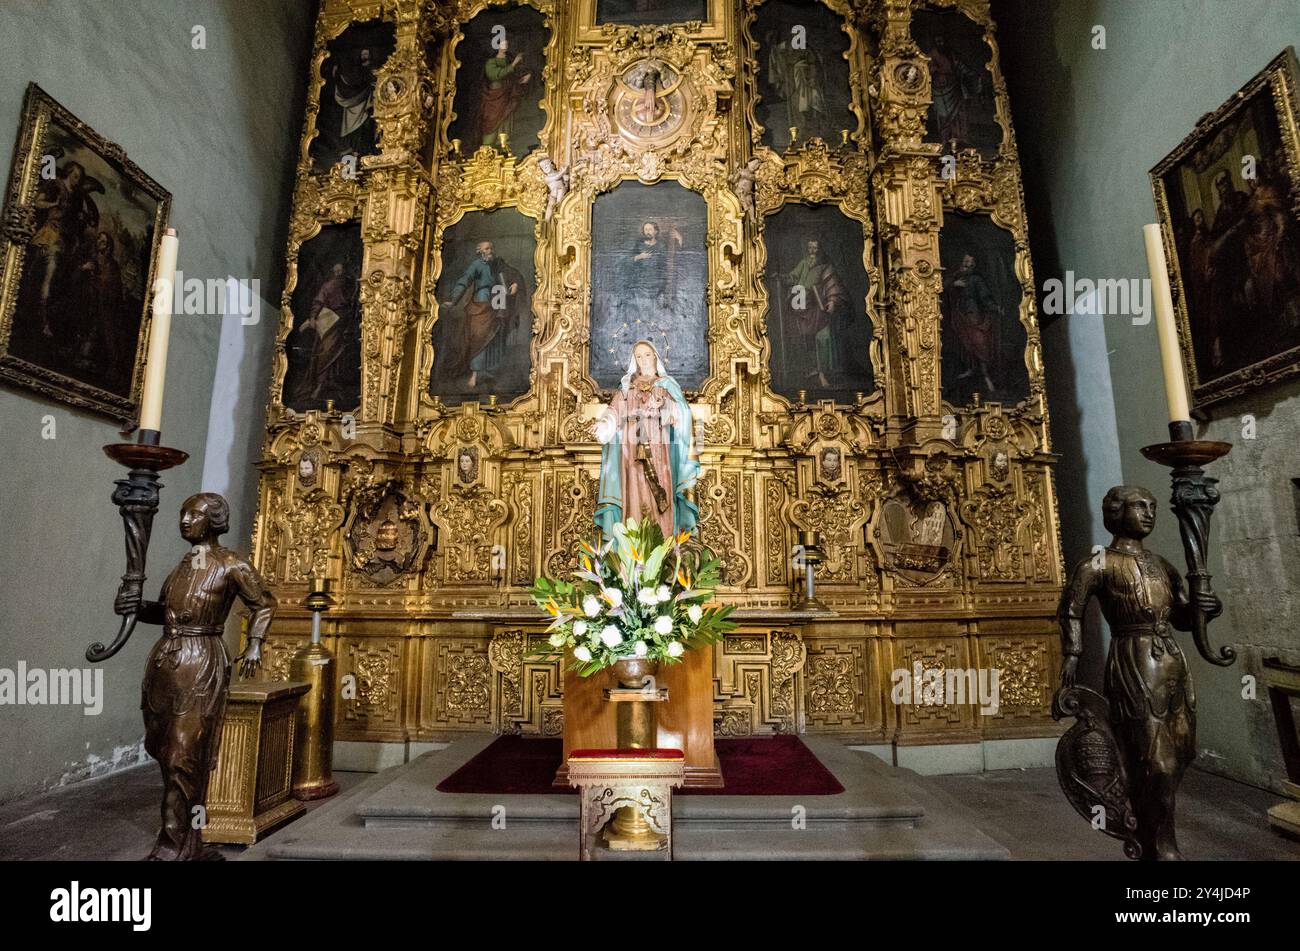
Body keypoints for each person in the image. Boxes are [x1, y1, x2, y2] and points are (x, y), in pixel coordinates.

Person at [1057, 485, 1221, 861]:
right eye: (1139, 506)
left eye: (1152, 507)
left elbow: (1181, 616)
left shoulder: (1162, 565)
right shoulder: (1100, 562)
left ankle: (1152, 829)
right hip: (1134, 659)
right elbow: (1072, 607)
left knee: (1182, 753)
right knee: (1156, 762)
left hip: (1171, 661)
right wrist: (1072, 654)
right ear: (1116, 512)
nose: (1148, 513)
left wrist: (1205, 607)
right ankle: (1162, 844)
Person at [113, 493, 275, 861]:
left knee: (183, 755)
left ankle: (174, 845)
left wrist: (254, 643)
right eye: (183, 513)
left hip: (202, 662)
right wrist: (136, 608)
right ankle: (188, 840)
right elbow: (167, 614)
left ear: (214, 521)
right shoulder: (184, 565)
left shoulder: (231, 563)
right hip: (166, 662)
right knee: (162, 749)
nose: (185, 520)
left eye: (195, 514)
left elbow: (264, 602)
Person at [594, 340, 699, 540]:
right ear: (634, 360)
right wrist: (604, 424)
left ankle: (664, 546)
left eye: (647, 354)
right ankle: (633, 551)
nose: (643, 359)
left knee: (660, 488)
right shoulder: (627, 387)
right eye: (639, 356)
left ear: (656, 357)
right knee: (634, 492)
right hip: (631, 450)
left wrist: (665, 405)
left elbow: (683, 413)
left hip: (660, 449)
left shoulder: (666, 384)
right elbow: (614, 411)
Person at [440, 240, 525, 390]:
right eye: (487, 248)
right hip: (480, 306)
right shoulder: (476, 265)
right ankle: (475, 373)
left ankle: (487, 371)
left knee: (493, 338)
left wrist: (515, 283)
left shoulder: (498, 264)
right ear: (480, 251)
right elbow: (464, 281)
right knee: (479, 338)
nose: (490, 250)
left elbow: (514, 274)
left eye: (491, 248)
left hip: (496, 305)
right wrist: (453, 301)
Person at [287, 260, 360, 409]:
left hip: (342, 322)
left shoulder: (350, 286)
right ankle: (319, 385)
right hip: (328, 322)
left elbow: (354, 303)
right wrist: (313, 317)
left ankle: (329, 384)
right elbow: (318, 302)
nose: (339, 274)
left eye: (341, 272)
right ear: (334, 273)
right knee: (325, 353)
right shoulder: (328, 286)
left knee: (338, 353)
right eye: (337, 272)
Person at [783, 238, 848, 388]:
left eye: (815, 248)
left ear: (820, 249)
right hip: (804, 305)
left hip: (819, 305)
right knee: (807, 338)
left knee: (822, 338)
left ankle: (822, 373)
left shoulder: (826, 266)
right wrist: (783, 278)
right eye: (810, 247)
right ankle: (814, 369)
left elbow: (833, 285)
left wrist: (832, 301)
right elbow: (793, 276)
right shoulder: (804, 263)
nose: (813, 251)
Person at [944, 251, 998, 396]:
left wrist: (994, 307)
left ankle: (986, 376)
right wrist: (954, 284)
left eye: (970, 263)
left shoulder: (976, 280)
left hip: (974, 315)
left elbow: (985, 297)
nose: (967, 265)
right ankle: (971, 368)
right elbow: (941, 287)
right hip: (960, 316)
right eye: (965, 262)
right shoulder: (956, 277)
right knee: (966, 343)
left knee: (980, 342)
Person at [478, 38, 532, 150]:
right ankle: (487, 147)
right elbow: (496, 75)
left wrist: (526, 78)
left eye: (507, 44)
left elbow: (513, 78)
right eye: (503, 44)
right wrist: (514, 63)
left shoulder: (509, 60)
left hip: (507, 94)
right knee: (492, 119)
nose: (506, 46)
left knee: (505, 117)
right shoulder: (491, 62)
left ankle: (502, 144)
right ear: (497, 46)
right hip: (494, 96)